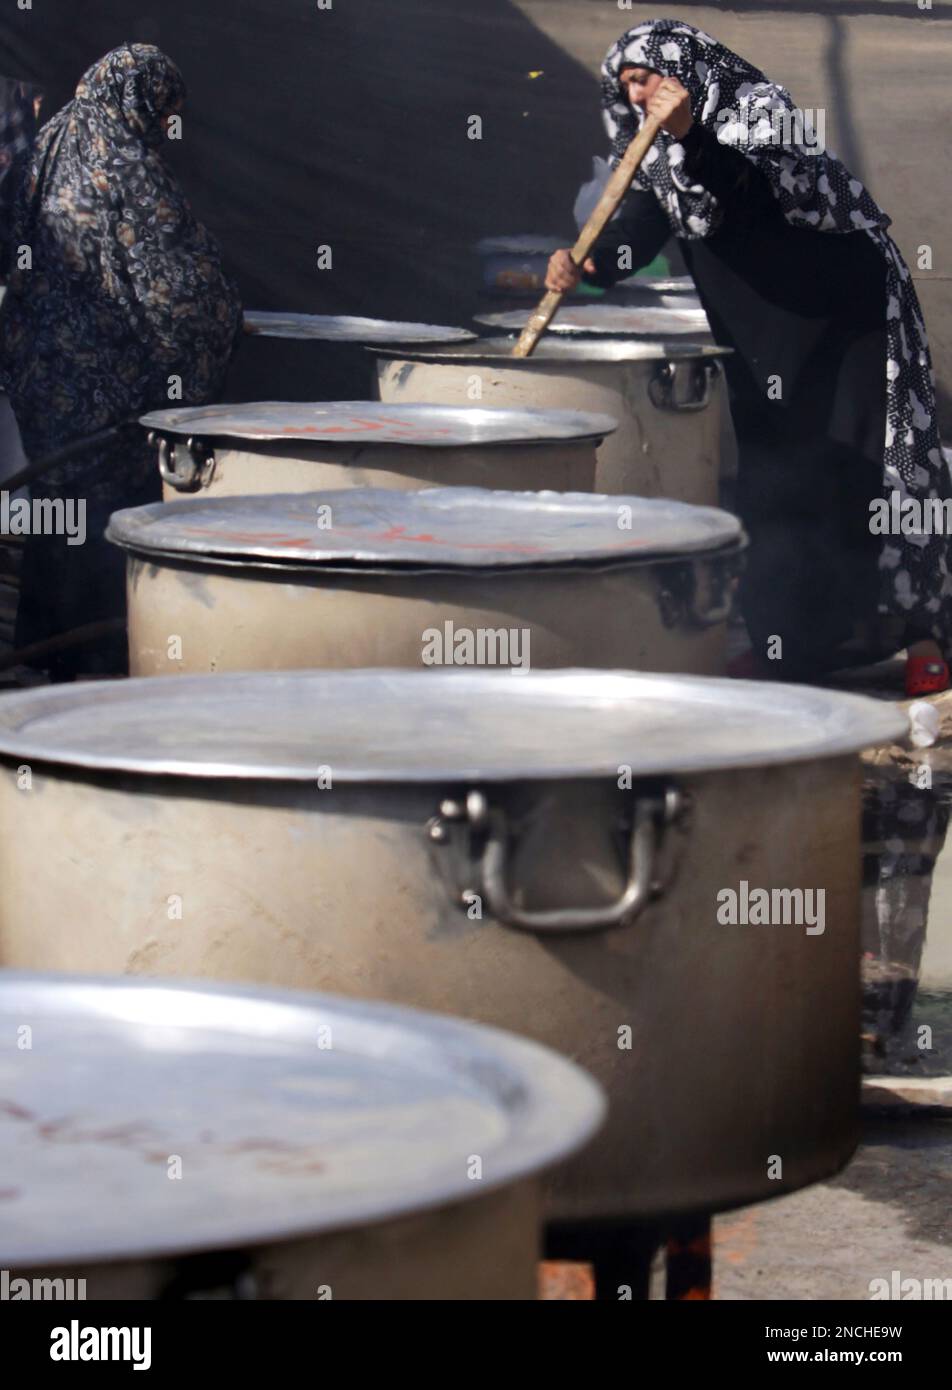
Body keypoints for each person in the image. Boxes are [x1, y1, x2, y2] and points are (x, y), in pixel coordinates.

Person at [547, 19, 950, 695]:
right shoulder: (655, 156)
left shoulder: (758, 115)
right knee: (779, 481)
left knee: (872, 470)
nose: (639, 93)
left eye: (646, 77)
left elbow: (754, 195)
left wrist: (689, 137)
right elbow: (640, 231)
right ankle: (793, 648)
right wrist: (586, 264)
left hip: (846, 323)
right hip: (762, 344)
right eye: (627, 85)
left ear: (685, 71)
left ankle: (924, 640)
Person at [0, 43, 242, 680]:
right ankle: (100, 666)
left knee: (56, 516)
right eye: (164, 113)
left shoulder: (41, 152)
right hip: (107, 397)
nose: (166, 130)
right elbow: (187, 290)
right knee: (108, 526)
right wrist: (219, 324)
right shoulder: (127, 167)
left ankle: (39, 659)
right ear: (140, 99)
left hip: (42, 388)